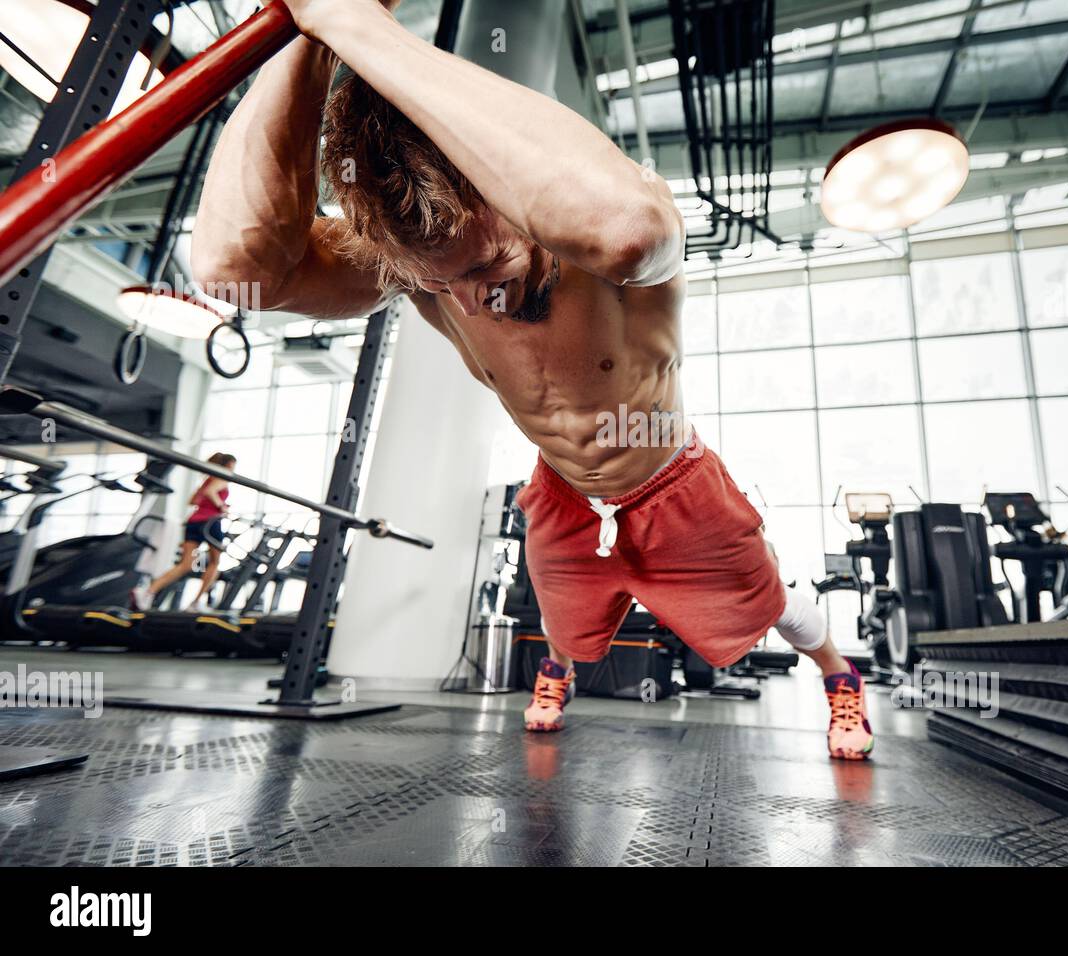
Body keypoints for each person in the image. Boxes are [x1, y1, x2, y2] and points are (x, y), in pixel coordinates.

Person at [190, 0, 874, 759]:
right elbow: (234, 269)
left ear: (510, 199)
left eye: (489, 266)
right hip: (564, 487)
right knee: (566, 616)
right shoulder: (423, 266)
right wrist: (305, 31)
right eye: (441, 283)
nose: (474, 297)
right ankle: (561, 670)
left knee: (767, 596)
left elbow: (629, 232)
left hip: (671, 480)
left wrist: (359, 25)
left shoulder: (604, 232)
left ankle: (840, 680)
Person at [131, 453, 236, 613]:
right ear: (228, 465)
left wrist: (212, 503)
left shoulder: (206, 480)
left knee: (186, 564)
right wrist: (222, 507)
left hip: (193, 522)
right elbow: (210, 492)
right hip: (210, 523)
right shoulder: (221, 478)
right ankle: (196, 602)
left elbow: (193, 501)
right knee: (214, 563)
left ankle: (147, 592)